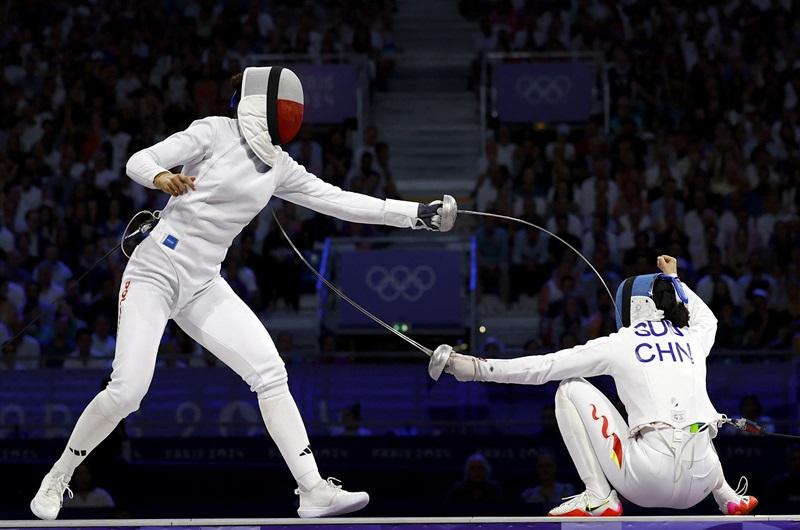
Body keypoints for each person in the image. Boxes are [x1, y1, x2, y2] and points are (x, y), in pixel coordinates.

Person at [30, 66, 456, 521]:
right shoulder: (213, 132)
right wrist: (161, 178)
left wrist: (416, 213)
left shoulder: (279, 167)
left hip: (203, 284)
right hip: (154, 271)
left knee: (270, 371)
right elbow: (139, 159)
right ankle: (58, 476)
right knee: (129, 391)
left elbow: (341, 200)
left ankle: (311, 490)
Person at [434, 255, 758, 517]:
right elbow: (709, 320)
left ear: (635, 305)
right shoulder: (692, 339)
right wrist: (675, 280)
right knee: (694, 413)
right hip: (701, 483)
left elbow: (543, 366)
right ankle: (728, 496)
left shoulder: (621, 342)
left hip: (648, 481)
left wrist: (476, 368)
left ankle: (599, 496)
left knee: (569, 388)